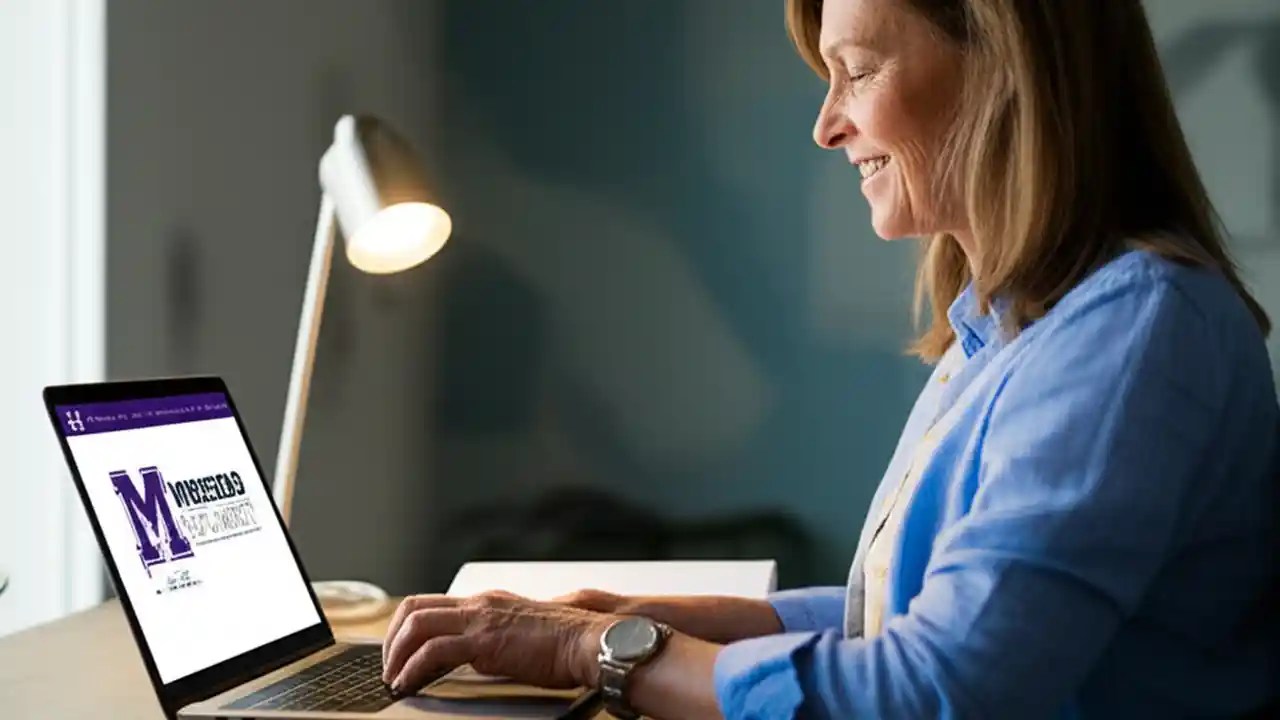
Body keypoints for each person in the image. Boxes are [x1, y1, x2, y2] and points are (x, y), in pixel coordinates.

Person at [380, 0, 1280, 717]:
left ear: (1005, 65)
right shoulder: (1011, 331)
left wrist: (595, 653)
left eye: (857, 70)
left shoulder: (1130, 335)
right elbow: (903, 619)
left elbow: (935, 689)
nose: (826, 125)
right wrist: (634, 621)